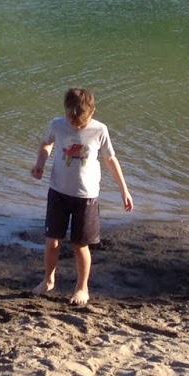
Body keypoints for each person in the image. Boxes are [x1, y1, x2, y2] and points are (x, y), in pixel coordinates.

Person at [30, 87, 133, 306]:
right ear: (65, 111)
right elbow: (46, 144)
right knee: (52, 242)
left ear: (92, 112)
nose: (76, 125)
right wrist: (39, 164)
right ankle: (48, 280)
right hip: (58, 192)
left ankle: (82, 288)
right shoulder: (57, 125)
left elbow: (110, 160)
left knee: (79, 245)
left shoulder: (99, 130)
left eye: (81, 122)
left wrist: (124, 190)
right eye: (71, 119)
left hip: (86, 197)